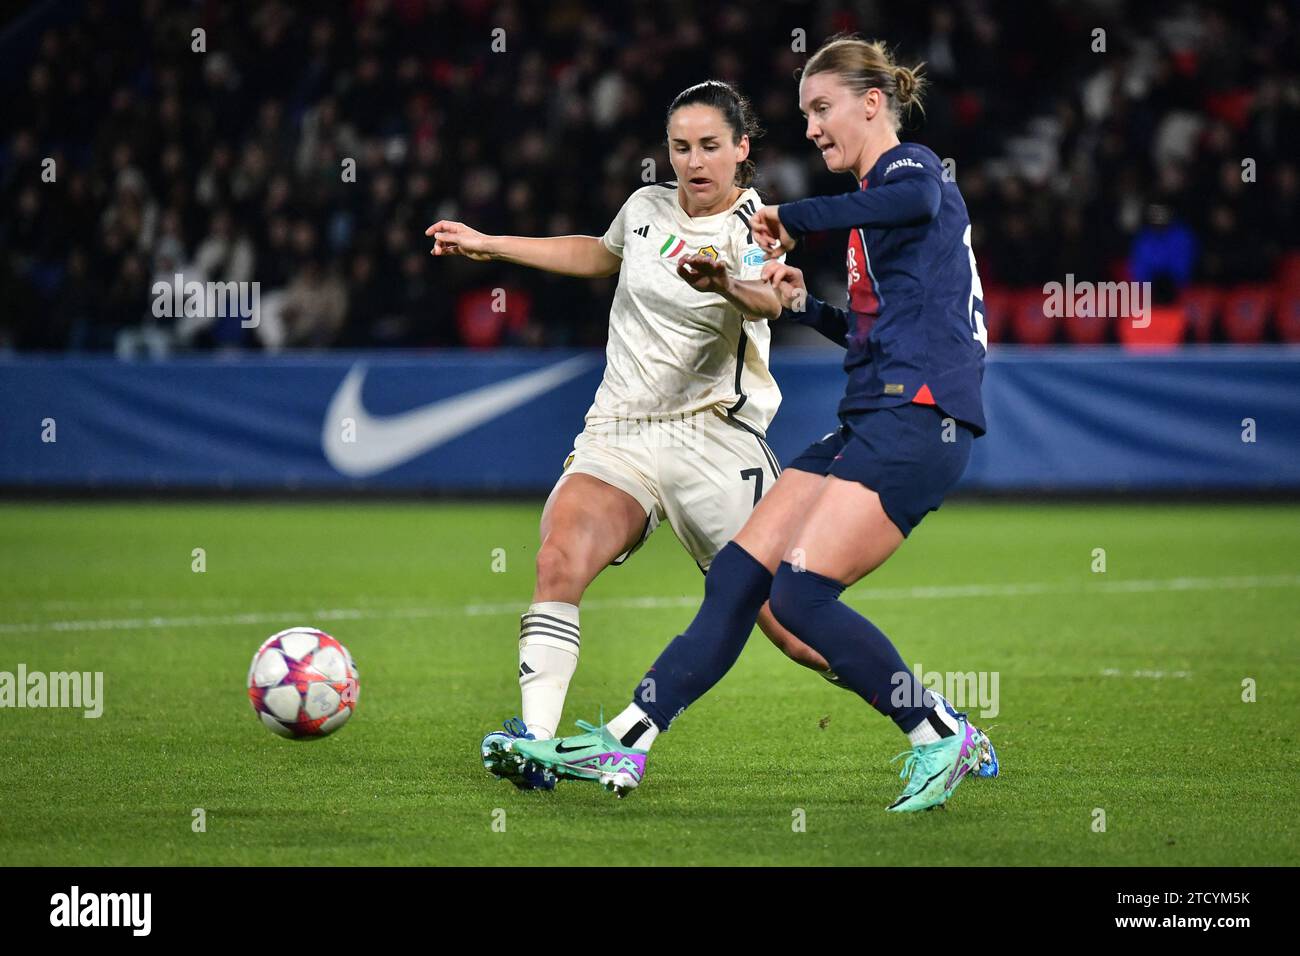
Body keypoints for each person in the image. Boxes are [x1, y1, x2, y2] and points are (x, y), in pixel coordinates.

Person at [514, 37, 999, 812]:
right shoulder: (878, 215)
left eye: (821, 107)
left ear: (872, 103)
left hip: (921, 418)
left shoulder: (908, 172)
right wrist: (808, 308)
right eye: (805, 112)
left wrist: (788, 216)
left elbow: (919, 199)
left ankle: (941, 731)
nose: (810, 127)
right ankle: (628, 738)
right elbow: (873, 334)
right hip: (874, 411)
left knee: (803, 599)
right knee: (744, 577)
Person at [427, 80, 836, 790]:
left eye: (710, 145)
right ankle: (537, 744)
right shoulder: (646, 207)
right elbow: (600, 253)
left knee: (797, 630)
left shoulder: (757, 227)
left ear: (742, 149)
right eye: (680, 147)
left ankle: (932, 721)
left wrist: (725, 286)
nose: (693, 161)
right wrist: (491, 246)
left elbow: (770, 295)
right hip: (621, 430)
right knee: (559, 558)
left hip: (718, 442)